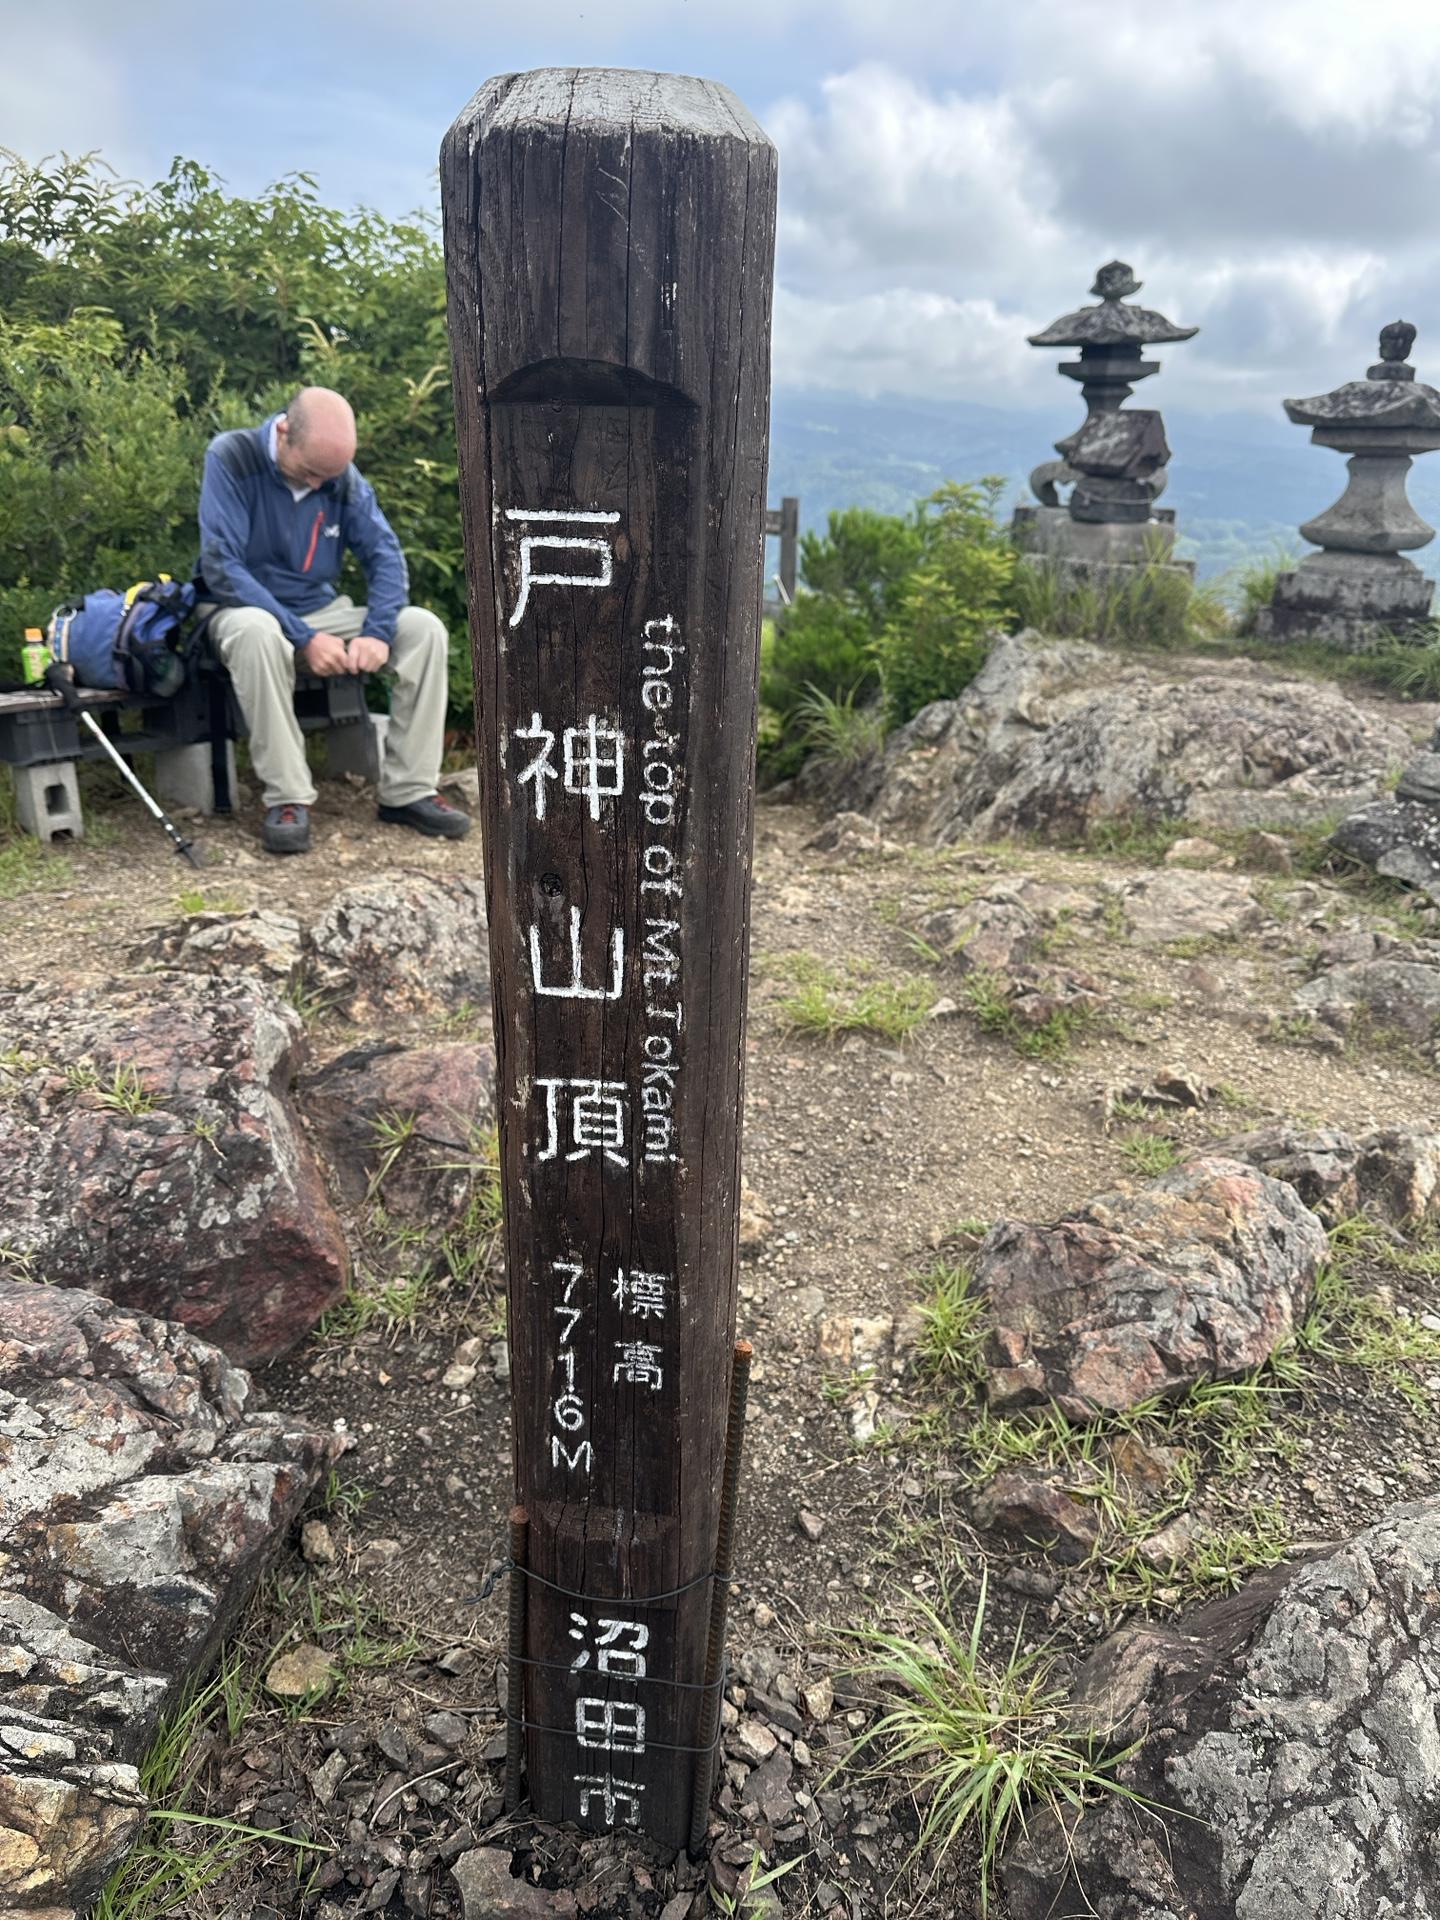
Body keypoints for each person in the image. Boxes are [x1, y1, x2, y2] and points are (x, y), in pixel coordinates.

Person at [196, 386, 471, 854]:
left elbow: (384, 556)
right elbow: (222, 567)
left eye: (332, 475)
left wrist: (378, 633)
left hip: (322, 610)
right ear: (283, 433)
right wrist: (303, 637)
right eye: (311, 472)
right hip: (239, 609)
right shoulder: (233, 457)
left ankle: (408, 791)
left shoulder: (340, 477)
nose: (322, 484)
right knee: (259, 633)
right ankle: (287, 800)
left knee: (422, 629)